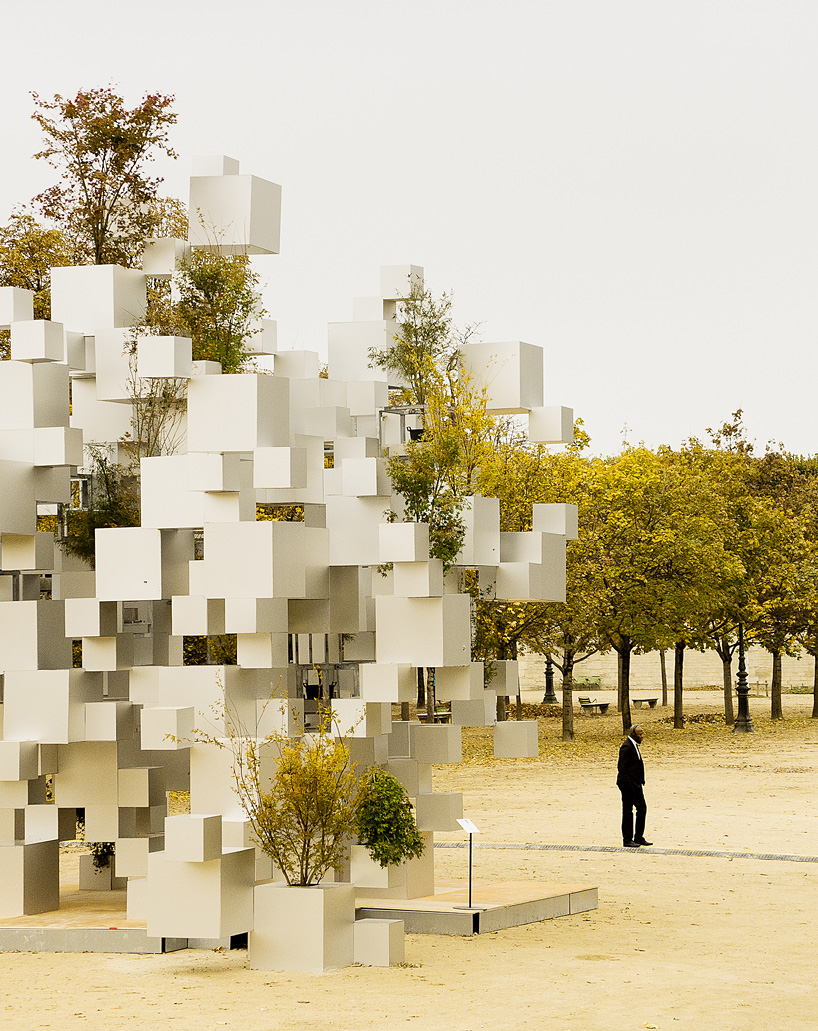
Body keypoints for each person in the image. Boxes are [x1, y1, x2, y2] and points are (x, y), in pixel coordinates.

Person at [617, 724, 652, 847]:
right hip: (628, 785)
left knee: (642, 808)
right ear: (633, 735)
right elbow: (622, 768)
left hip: (636, 784)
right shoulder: (626, 747)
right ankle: (627, 839)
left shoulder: (634, 745)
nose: (642, 737)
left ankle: (638, 837)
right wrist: (629, 784)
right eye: (640, 734)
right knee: (628, 811)